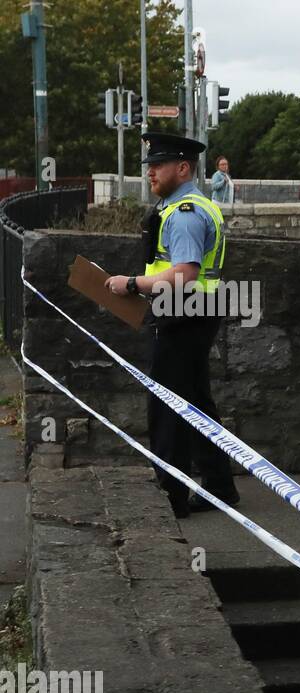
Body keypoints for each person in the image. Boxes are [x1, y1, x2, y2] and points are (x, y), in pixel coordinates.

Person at [104, 132, 239, 519]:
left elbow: (184, 275)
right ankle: (219, 486)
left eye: (158, 165)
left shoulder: (184, 214)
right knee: (196, 403)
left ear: (182, 168)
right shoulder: (194, 206)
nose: (151, 173)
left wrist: (130, 284)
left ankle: (171, 498)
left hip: (182, 314)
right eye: (150, 166)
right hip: (193, 313)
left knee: (167, 408)